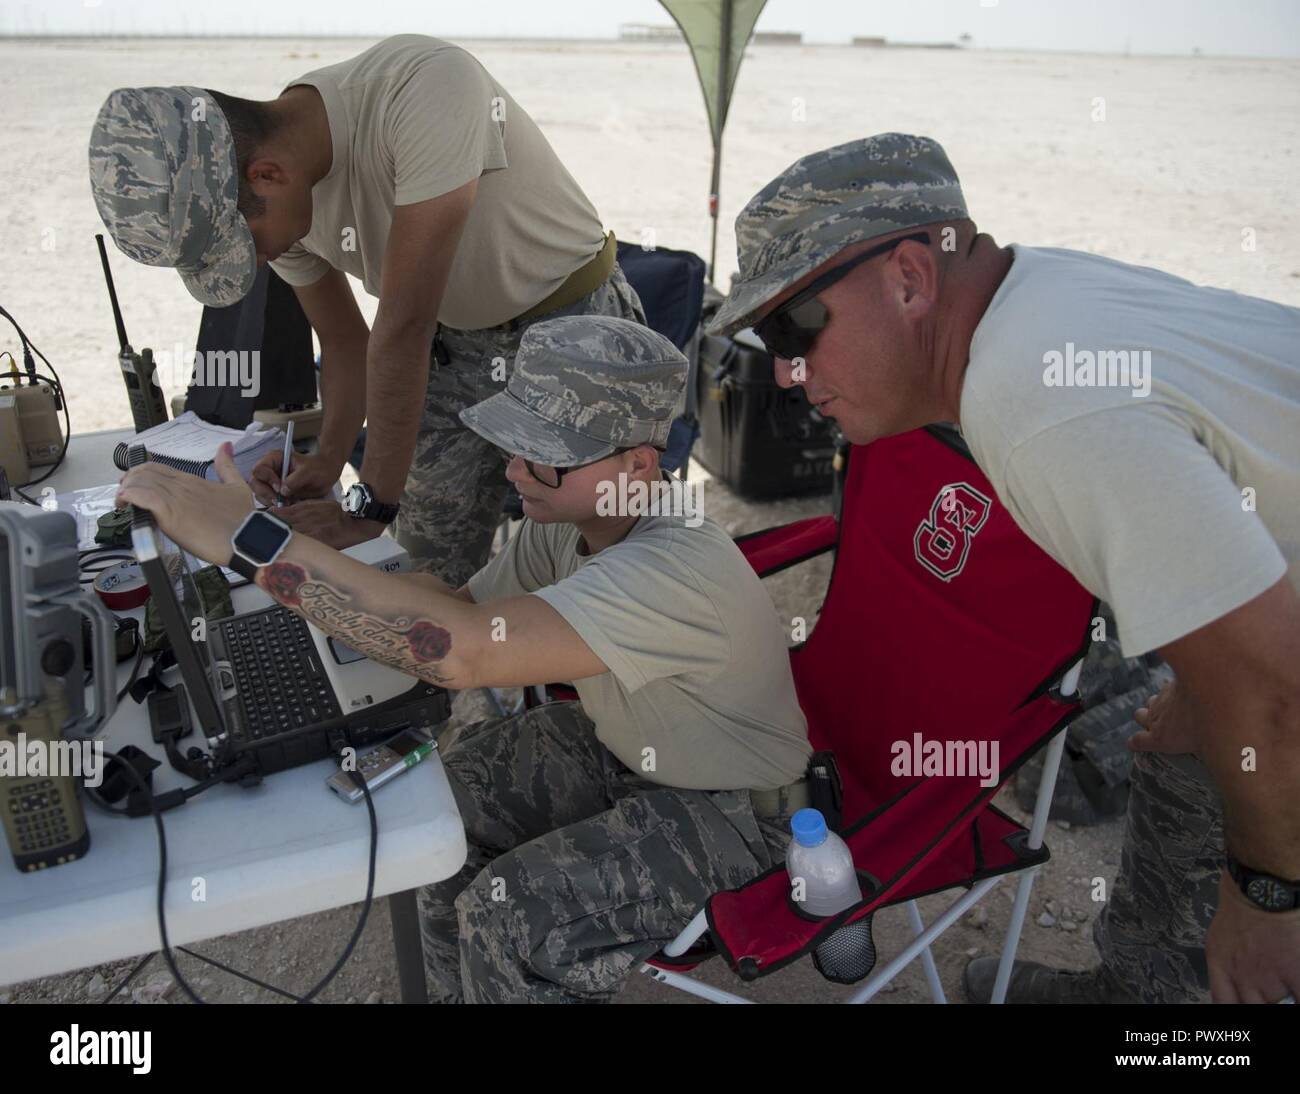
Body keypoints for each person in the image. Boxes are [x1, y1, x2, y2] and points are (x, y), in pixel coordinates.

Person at [707, 133, 1300, 1004]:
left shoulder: (1037, 405)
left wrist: (1268, 895)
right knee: (1198, 740)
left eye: (795, 329)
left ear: (910, 277)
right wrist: (1214, 678)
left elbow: (1278, 696)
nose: (788, 374)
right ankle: (1146, 997)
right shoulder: (1037, 294)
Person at [116, 315, 812, 1003]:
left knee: (508, 919)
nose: (513, 469)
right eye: (513, 442)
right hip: (629, 750)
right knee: (440, 819)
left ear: (636, 465)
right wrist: (301, 544)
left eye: (544, 452)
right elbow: (450, 605)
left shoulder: (670, 568)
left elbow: (456, 652)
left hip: (735, 817)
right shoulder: (579, 523)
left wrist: (253, 543)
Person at [89, 33, 644, 586]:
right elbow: (345, 342)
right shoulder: (283, 194)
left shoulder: (425, 87)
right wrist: (327, 464)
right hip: (453, 349)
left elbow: (402, 328)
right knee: (425, 568)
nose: (257, 261)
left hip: (574, 333)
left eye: (246, 244)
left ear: (266, 175)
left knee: (601, 563)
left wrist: (368, 508)